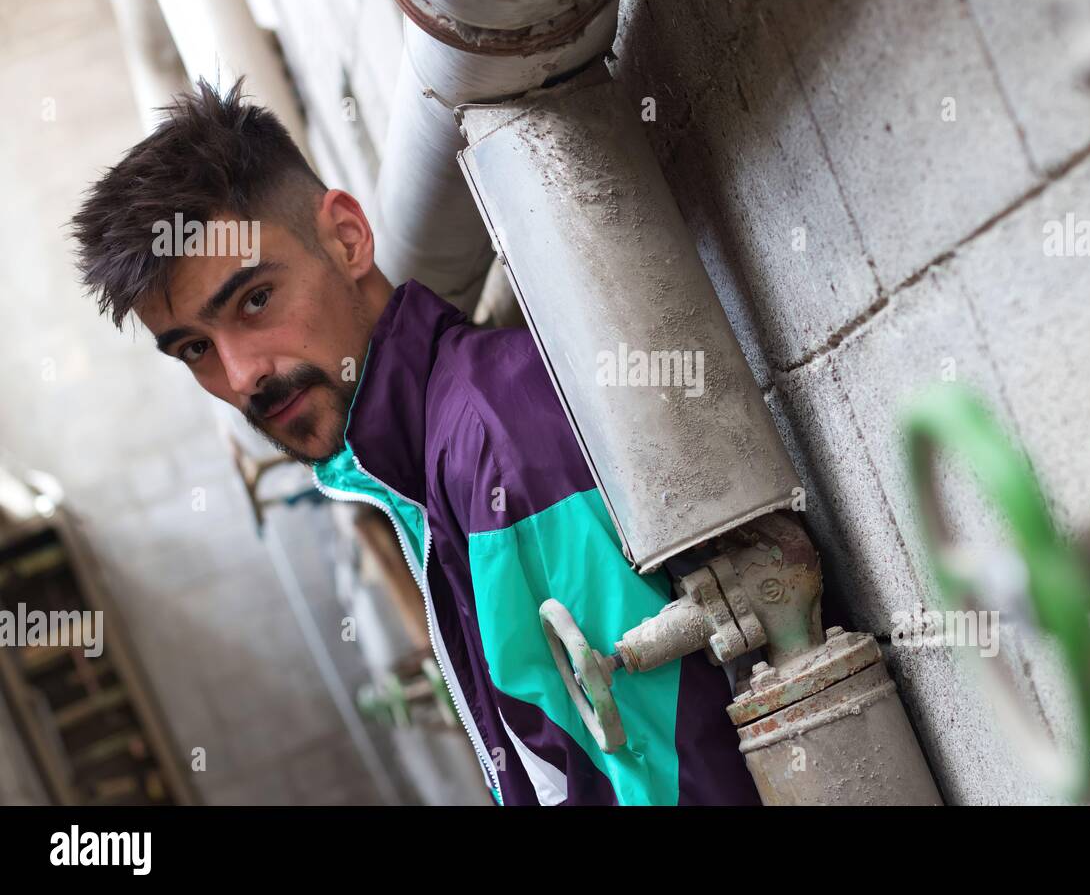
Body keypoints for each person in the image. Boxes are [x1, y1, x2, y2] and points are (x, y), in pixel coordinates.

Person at [69, 79, 760, 805]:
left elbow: (679, 778)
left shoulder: (494, 450)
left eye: (256, 300)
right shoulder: (422, 473)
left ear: (346, 238)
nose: (242, 376)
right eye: (194, 349)